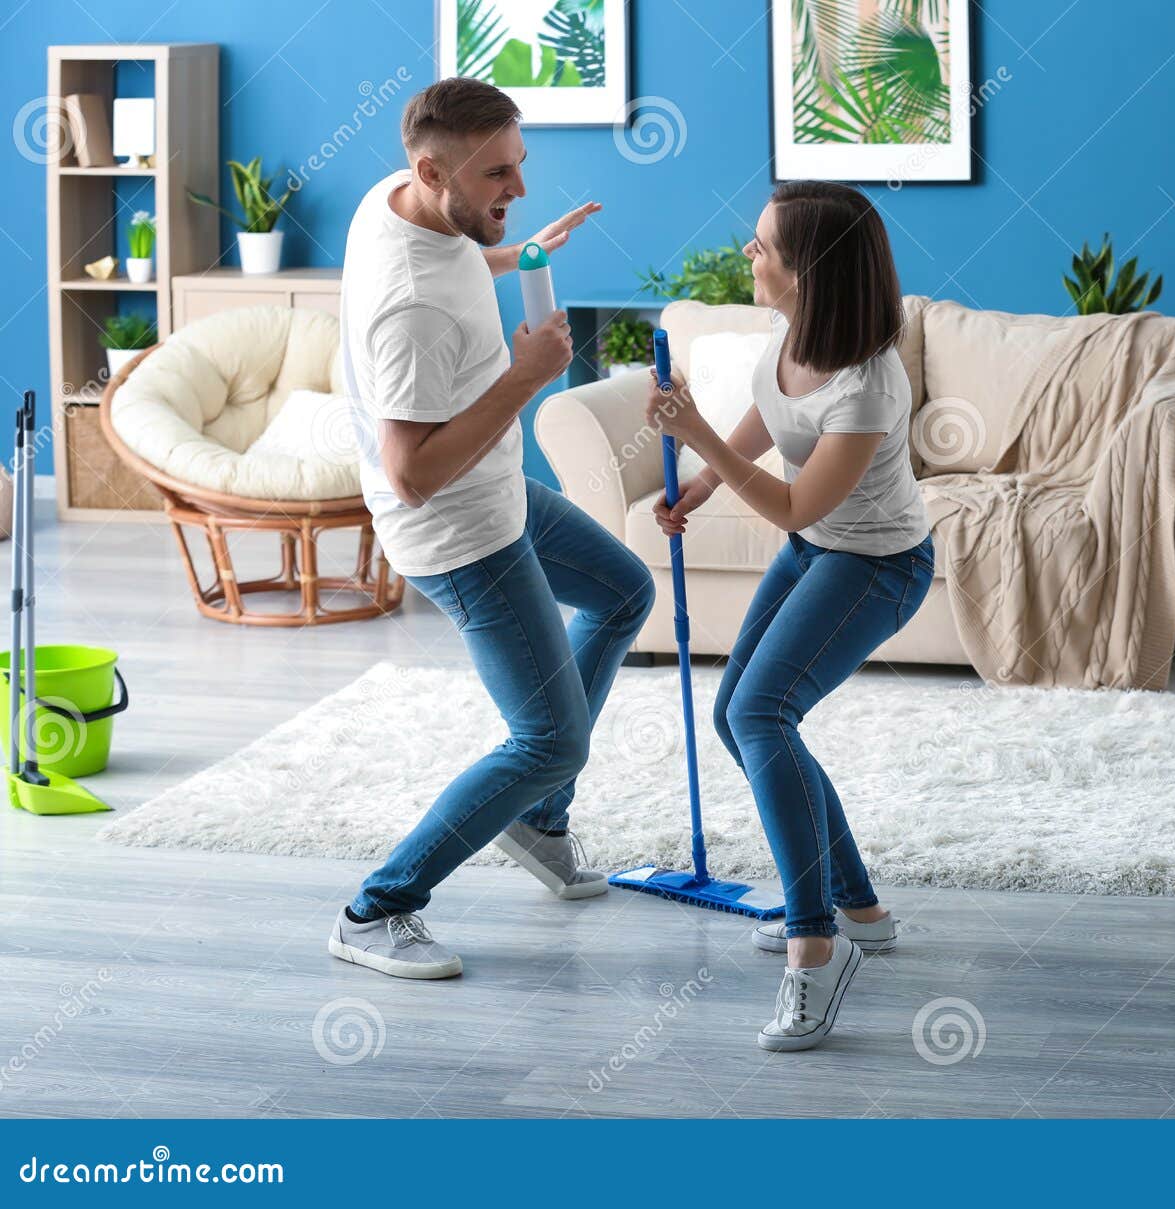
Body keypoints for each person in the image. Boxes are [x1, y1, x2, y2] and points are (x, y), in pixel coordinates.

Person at [329, 77, 654, 980]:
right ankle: (376, 907)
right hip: (459, 532)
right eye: (498, 176)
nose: (518, 190)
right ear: (434, 170)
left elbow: (456, 261)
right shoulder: (410, 307)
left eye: (519, 166)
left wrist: (523, 254)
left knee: (625, 591)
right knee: (549, 739)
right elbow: (413, 474)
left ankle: (537, 819)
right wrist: (525, 377)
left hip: (498, 489)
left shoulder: (397, 203)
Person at [644, 181, 934, 1050]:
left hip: (877, 564)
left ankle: (815, 944)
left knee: (759, 712)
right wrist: (696, 481)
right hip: (821, 551)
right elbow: (767, 419)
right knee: (744, 719)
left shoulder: (870, 384)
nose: (749, 255)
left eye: (763, 246)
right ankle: (863, 911)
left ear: (809, 270)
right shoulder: (793, 330)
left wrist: (695, 436)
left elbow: (800, 507)